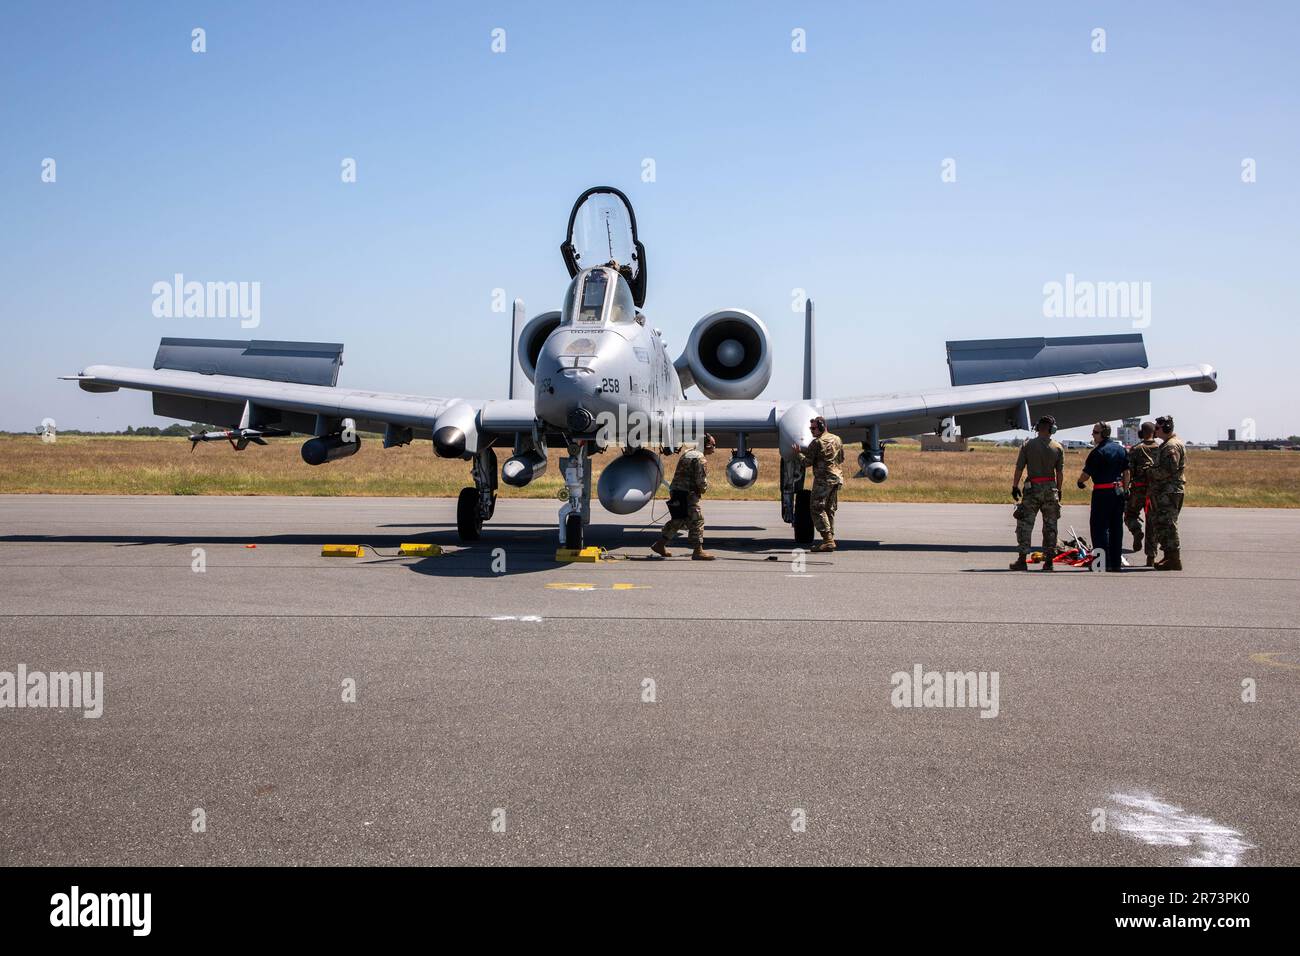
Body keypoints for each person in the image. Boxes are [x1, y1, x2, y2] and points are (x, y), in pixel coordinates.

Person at [1010, 416, 1064, 571]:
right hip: (1050, 489)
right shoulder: (1058, 447)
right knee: (1050, 526)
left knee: (1025, 524)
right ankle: (1049, 562)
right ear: (1051, 429)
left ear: (1038, 428)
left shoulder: (1027, 445)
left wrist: (1015, 486)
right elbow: (1059, 472)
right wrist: (1059, 490)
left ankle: (1022, 559)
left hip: (1032, 488)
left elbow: (1019, 468)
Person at [652, 433, 716, 560]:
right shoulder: (700, 458)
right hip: (688, 494)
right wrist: (703, 489)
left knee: (679, 519)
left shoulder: (688, 453)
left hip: (676, 491)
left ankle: (660, 545)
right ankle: (698, 551)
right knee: (697, 520)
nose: (714, 448)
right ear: (707, 445)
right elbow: (701, 481)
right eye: (713, 445)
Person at [1077, 421, 1130, 572]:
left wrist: (1080, 482)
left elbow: (1086, 475)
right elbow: (1127, 473)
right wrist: (1125, 491)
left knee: (1099, 528)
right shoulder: (1121, 450)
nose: (1093, 435)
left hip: (1102, 494)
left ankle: (1101, 563)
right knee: (1116, 528)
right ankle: (1115, 563)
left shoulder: (1098, 452)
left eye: (1095, 432)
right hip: (1118, 493)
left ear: (1103, 434)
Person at [791, 416, 844, 552]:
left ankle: (828, 540)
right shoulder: (837, 439)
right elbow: (841, 458)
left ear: (822, 426)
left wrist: (798, 454)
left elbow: (806, 462)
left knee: (817, 508)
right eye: (810, 428)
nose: (811, 431)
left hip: (823, 480)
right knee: (829, 509)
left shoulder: (817, 443)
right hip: (836, 478)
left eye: (814, 428)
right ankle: (829, 539)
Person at [1148, 415, 1186, 571]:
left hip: (1168, 491)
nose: (1155, 431)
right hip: (1167, 490)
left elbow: (1169, 469)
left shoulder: (1170, 446)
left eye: (1157, 428)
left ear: (1166, 428)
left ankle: (1174, 559)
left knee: (1168, 524)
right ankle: (1169, 556)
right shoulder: (1168, 444)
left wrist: (1150, 472)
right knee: (1163, 524)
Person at [1124, 421, 1161, 566]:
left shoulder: (1135, 449)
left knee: (1129, 514)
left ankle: (1136, 531)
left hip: (1138, 490)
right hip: (1154, 491)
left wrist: (1126, 489)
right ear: (1154, 432)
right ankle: (1151, 557)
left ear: (1141, 432)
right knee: (1151, 523)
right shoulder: (1161, 448)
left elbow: (1129, 471)